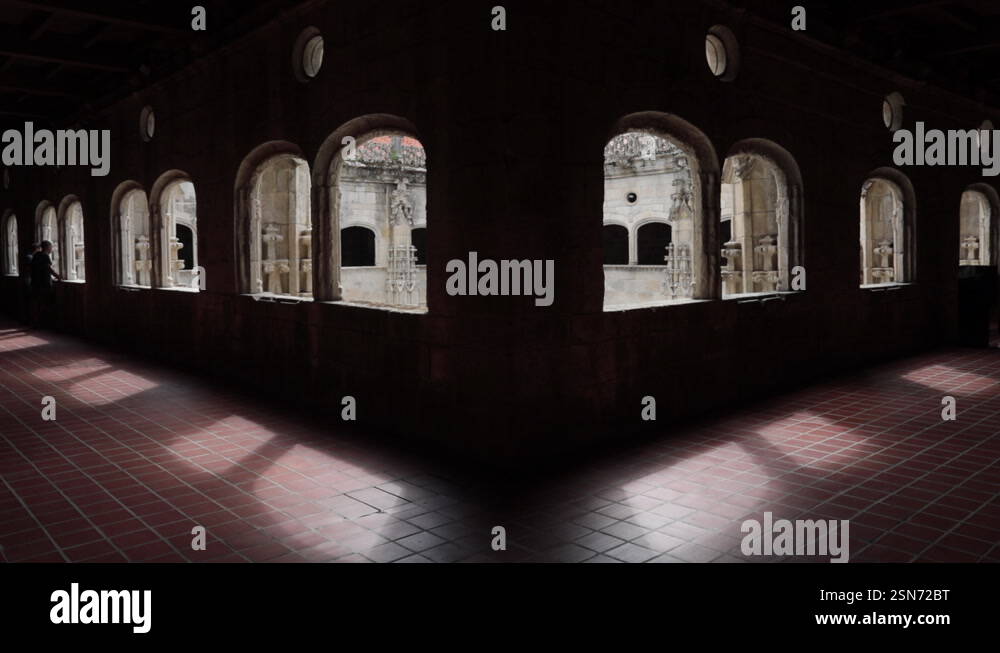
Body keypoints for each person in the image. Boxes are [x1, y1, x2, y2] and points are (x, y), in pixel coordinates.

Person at [29, 240, 60, 328]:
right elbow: (49, 269)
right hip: (44, 284)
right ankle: (44, 323)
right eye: (51, 247)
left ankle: (36, 322)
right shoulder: (44, 256)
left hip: (35, 283)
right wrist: (58, 277)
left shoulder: (36, 255)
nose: (52, 249)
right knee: (45, 303)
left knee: (36, 303)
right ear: (47, 247)